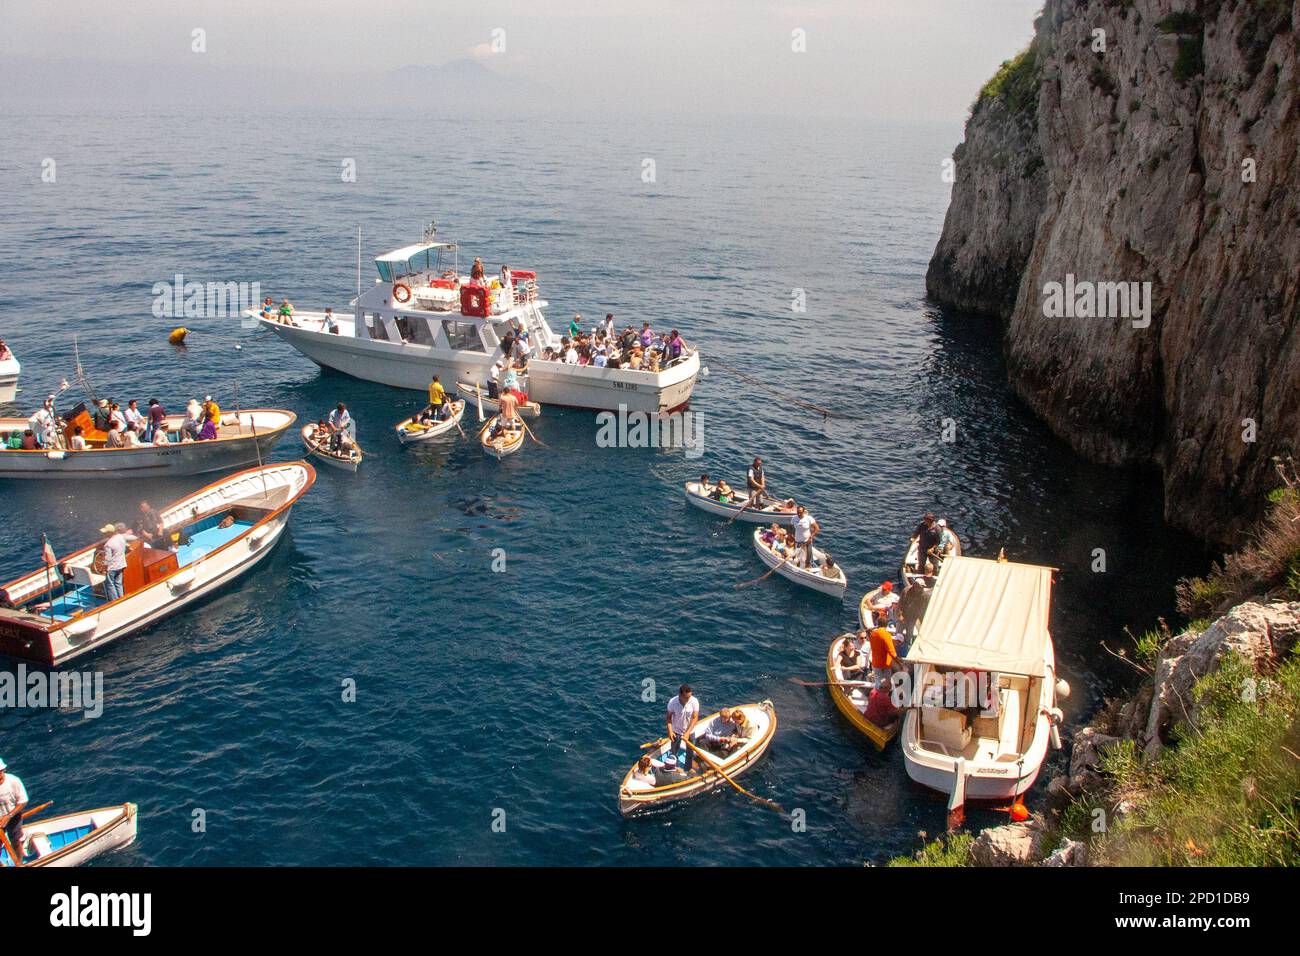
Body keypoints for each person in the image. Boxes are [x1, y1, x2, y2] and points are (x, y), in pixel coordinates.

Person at [0, 757, 29, 864]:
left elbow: (23, 801)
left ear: (4, 770)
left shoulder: (14, 781)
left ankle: (19, 863)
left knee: (16, 841)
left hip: (13, 816)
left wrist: (9, 815)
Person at [666, 684, 700, 772]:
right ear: (680, 695)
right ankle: (675, 770)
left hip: (690, 732)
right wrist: (670, 731)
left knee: (690, 753)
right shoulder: (672, 702)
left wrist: (688, 732)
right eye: (687, 697)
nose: (689, 699)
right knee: (674, 753)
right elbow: (668, 718)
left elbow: (695, 717)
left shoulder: (694, 701)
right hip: (676, 731)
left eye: (690, 696)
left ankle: (687, 770)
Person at [100, 522, 130, 601]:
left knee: (110, 584)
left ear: (109, 533)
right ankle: (121, 598)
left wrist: (103, 569)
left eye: (105, 533)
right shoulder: (121, 537)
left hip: (112, 568)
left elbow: (108, 559)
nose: (104, 535)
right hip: (121, 565)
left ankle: (114, 601)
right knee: (118, 583)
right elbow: (126, 545)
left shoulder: (108, 544)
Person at [898, 578, 931, 649]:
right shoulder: (906, 591)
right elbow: (900, 604)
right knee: (898, 634)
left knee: (909, 635)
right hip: (903, 616)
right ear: (915, 585)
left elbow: (924, 609)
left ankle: (906, 648)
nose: (921, 588)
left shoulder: (925, 596)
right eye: (919, 587)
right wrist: (900, 615)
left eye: (922, 587)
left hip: (913, 619)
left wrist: (922, 621)